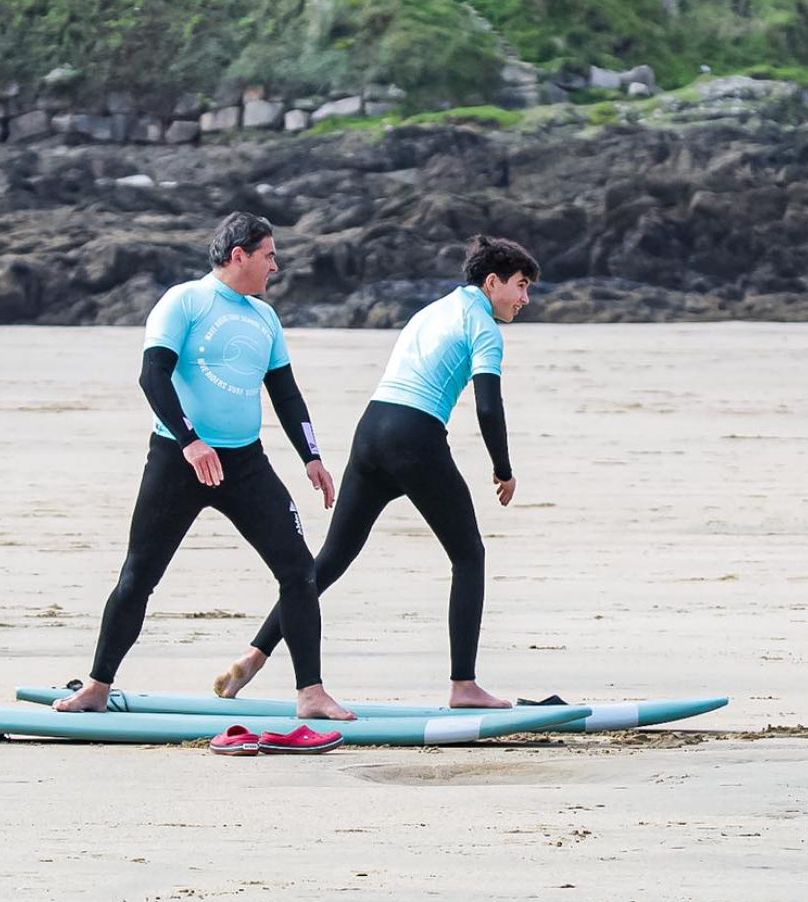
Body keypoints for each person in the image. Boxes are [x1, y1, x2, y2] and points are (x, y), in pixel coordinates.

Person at [213, 235, 537, 709]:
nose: (525, 299)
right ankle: (463, 685)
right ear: (492, 282)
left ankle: (253, 656)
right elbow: (489, 405)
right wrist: (503, 468)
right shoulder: (484, 327)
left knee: (331, 558)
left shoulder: (430, 312)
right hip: (415, 436)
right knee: (469, 556)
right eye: (521, 286)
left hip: (371, 432)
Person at [55, 213, 353, 720]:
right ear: (240, 255)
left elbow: (285, 392)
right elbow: (153, 376)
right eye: (269, 256)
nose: (275, 267)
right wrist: (190, 441)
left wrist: (312, 455)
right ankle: (97, 686)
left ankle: (311, 693)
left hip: (245, 464)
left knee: (298, 571)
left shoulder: (265, 318)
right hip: (178, 460)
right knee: (138, 577)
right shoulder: (184, 301)